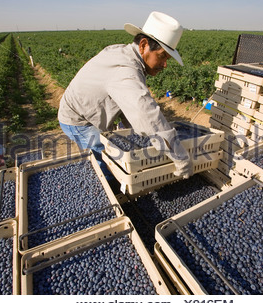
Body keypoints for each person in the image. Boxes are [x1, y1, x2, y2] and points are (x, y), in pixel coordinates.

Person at [58, 11, 193, 182]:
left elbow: (129, 106)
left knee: (123, 150)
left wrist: (145, 135)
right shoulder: (125, 70)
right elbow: (146, 112)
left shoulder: (128, 55)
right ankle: (113, 194)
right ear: (143, 45)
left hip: (88, 110)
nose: (165, 65)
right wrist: (180, 158)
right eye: (162, 56)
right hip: (78, 119)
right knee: (109, 160)